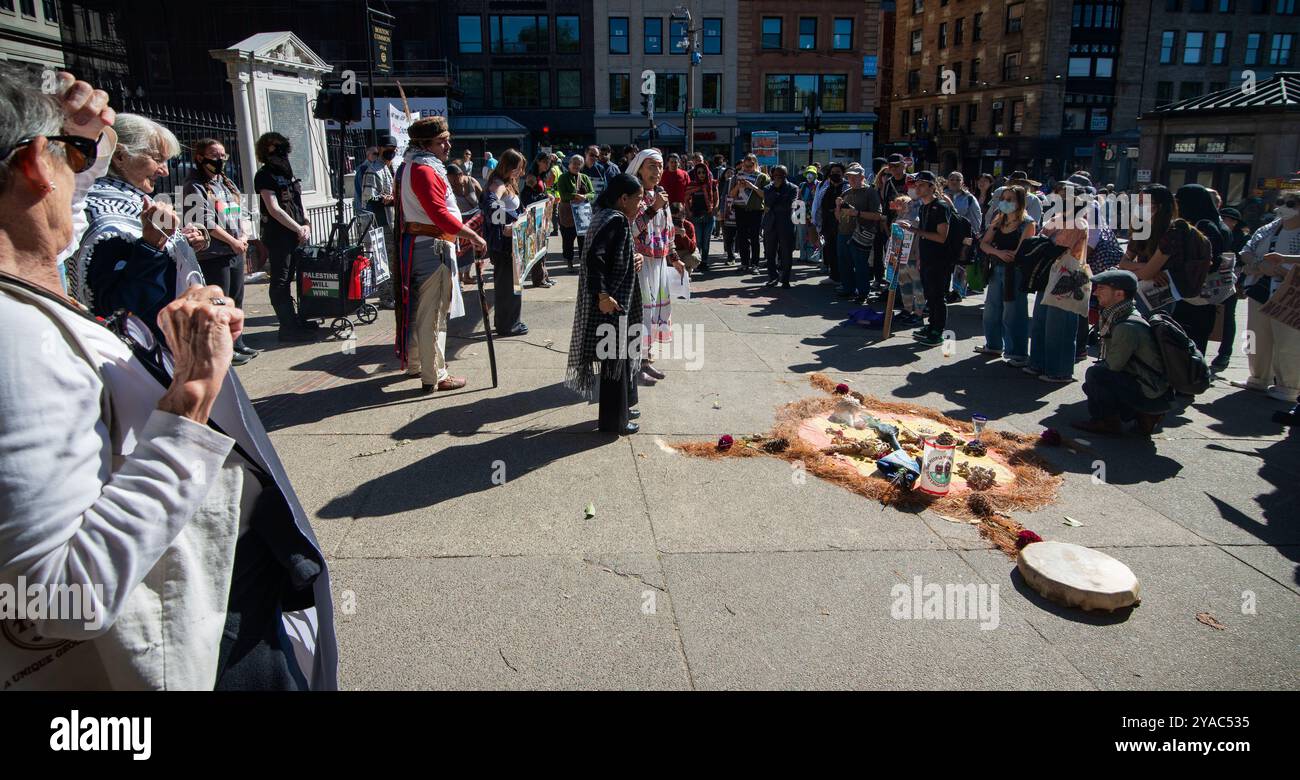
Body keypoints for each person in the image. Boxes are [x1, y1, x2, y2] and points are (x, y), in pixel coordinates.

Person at [0, 67, 337, 690]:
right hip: (187, 642)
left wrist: (82, 136)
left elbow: (78, 208)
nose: (81, 180)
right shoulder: (14, 342)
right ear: (32, 166)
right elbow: (51, 600)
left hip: (216, 605)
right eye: (70, 160)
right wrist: (191, 393)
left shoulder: (26, 284)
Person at [70, 113, 208, 335]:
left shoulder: (133, 201)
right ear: (120, 156)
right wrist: (153, 246)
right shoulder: (103, 215)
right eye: (157, 159)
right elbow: (118, 309)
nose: (165, 171)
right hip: (142, 345)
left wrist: (181, 240)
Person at [393, 115, 487, 392]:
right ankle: (435, 374)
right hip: (432, 246)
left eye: (447, 140)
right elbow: (440, 215)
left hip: (422, 244)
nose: (448, 146)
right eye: (441, 142)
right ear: (425, 144)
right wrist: (473, 235)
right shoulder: (423, 170)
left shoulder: (412, 166)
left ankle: (417, 364)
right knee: (433, 314)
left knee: (419, 311)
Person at [564, 173, 645, 435]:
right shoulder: (616, 220)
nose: (641, 204)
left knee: (618, 359)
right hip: (612, 302)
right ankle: (614, 423)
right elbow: (595, 258)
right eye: (638, 199)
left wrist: (634, 258)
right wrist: (603, 296)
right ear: (623, 199)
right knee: (614, 362)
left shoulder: (606, 215)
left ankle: (620, 414)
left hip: (614, 298)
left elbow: (613, 255)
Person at [183, 138, 258, 365]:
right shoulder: (194, 185)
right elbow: (203, 221)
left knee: (235, 300)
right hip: (215, 255)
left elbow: (240, 213)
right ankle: (222, 349)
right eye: (214, 155)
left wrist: (242, 237)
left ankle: (237, 342)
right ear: (200, 158)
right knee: (220, 303)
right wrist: (232, 242)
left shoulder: (226, 183)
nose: (220, 160)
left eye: (222, 155)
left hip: (235, 251)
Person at [1073, 270, 1174, 435]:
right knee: (1093, 383)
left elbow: (1113, 366)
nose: (1096, 292)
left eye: (1102, 288)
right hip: (1149, 386)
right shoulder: (1121, 314)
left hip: (1151, 391)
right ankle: (1140, 415)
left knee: (1096, 375)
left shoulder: (1126, 326)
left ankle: (1110, 422)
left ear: (1119, 294)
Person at [1118, 184, 1216, 352]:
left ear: (1159, 206)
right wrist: (1148, 268)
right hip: (1141, 290)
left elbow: (1143, 272)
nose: (1139, 207)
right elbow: (1123, 263)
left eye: (1144, 203)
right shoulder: (1142, 228)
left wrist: (1145, 270)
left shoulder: (1173, 232)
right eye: (1138, 202)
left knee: (1152, 341)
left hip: (1162, 296)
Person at [1231, 190, 1300, 401]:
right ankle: (1259, 377)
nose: (1283, 207)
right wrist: (1259, 264)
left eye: (1291, 204)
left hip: (1290, 295)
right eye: (1281, 202)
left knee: (1287, 340)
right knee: (1255, 336)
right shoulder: (1269, 228)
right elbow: (1246, 250)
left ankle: (1288, 386)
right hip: (1259, 289)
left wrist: (1280, 270)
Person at [627, 149, 686, 385]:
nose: (657, 171)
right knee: (643, 312)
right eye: (651, 166)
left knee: (657, 313)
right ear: (640, 168)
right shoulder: (633, 195)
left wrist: (675, 258)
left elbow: (667, 231)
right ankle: (635, 364)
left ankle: (646, 359)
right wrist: (653, 208)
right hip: (641, 262)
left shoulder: (661, 195)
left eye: (660, 166)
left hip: (660, 262)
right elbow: (630, 229)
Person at [251, 131, 316, 341]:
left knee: (295, 277)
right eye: (274, 148)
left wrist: (305, 224)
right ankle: (287, 327)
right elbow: (273, 208)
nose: (279, 153)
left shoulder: (288, 174)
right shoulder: (264, 175)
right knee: (281, 280)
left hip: (296, 234)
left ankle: (297, 319)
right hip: (279, 236)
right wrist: (297, 228)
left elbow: (298, 203)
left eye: (281, 148)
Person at [1027, 189, 1091, 383]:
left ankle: (1059, 371)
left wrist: (1045, 240)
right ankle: (1038, 363)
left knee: (1060, 326)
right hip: (1048, 273)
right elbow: (1043, 238)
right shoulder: (1057, 219)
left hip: (1066, 276)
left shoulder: (1078, 223)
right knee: (1041, 322)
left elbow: (1057, 245)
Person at [976, 184, 1037, 365]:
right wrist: (998, 253)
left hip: (1015, 273)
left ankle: (1017, 353)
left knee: (1013, 313)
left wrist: (1000, 253)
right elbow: (984, 243)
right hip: (996, 269)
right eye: (1003, 199)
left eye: (1009, 199)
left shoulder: (1027, 224)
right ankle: (993, 345)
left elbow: (1018, 253)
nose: (1004, 202)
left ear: (1020, 202)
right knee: (991, 310)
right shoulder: (998, 220)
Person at [1170, 183, 1230, 354]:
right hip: (1198, 294)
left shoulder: (1205, 226)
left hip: (1196, 293)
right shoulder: (1216, 223)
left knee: (1192, 341)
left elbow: (1210, 261)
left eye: (1180, 201)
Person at [900, 171, 955, 346]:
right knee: (929, 295)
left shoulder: (941, 206)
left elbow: (941, 237)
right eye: (916, 185)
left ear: (932, 187)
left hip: (940, 259)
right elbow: (924, 236)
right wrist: (919, 257)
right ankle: (931, 325)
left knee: (938, 296)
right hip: (926, 258)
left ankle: (938, 331)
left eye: (922, 185)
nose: (917, 188)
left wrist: (914, 230)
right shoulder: (923, 207)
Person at [482, 149, 529, 338]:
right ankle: (506, 325)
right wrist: (506, 225)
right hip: (504, 246)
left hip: (512, 243)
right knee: (507, 286)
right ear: (509, 166)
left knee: (513, 285)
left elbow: (509, 207)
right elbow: (491, 206)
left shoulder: (507, 182)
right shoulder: (498, 184)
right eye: (519, 168)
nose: (521, 172)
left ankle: (511, 322)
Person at [835, 162, 884, 301]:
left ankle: (863, 292)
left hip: (861, 233)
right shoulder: (846, 192)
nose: (851, 179)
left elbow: (878, 216)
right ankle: (848, 288)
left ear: (862, 177)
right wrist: (838, 207)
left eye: (855, 176)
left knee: (860, 264)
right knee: (844, 263)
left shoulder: (870, 192)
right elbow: (838, 217)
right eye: (849, 176)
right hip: (844, 232)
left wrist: (857, 213)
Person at [1212, 206, 1252, 370]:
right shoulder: (1217, 232)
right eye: (1223, 218)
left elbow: (1244, 261)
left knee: (1228, 316)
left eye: (1229, 219)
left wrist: (1239, 281)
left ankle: (1225, 353)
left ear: (1235, 222)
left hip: (1232, 282)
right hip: (1213, 281)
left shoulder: (1243, 239)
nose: (1225, 221)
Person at [362, 134, 399, 309]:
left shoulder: (393, 168)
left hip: (395, 222)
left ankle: (394, 294)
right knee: (384, 262)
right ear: (380, 149)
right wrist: (384, 199)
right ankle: (386, 297)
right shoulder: (373, 170)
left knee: (394, 262)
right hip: (381, 223)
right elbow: (368, 198)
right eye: (387, 148)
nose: (391, 152)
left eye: (393, 149)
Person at [946, 171, 984, 298]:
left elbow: (976, 217)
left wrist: (974, 234)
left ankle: (958, 292)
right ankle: (945, 290)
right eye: (952, 179)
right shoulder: (942, 195)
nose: (954, 182)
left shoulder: (969, 198)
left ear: (962, 182)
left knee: (961, 264)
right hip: (945, 235)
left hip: (964, 235)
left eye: (958, 179)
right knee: (946, 264)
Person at [761, 165, 800, 289]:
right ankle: (773, 277)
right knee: (770, 253)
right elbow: (767, 203)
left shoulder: (793, 188)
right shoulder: (767, 188)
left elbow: (789, 205)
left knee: (786, 253)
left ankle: (785, 279)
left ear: (785, 175)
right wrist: (777, 193)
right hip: (770, 225)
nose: (777, 177)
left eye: (781, 175)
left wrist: (775, 201)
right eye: (775, 175)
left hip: (786, 225)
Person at [446, 162, 483, 287]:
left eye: (455, 180)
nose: (454, 183)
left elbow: (483, 197)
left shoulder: (472, 181)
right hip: (459, 223)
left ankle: (467, 275)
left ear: (461, 174)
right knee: (460, 249)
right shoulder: (448, 186)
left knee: (472, 248)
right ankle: (459, 277)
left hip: (475, 221)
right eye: (451, 181)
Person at [730, 153, 769, 273]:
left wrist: (752, 187)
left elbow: (766, 195)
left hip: (756, 210)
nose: (747, 168)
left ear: (755, 164)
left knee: (754, 238)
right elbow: (731, 194)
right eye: (745, 166)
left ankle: (755, 264)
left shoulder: (762, 177)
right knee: (742, 237)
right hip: (740, 209)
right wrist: (738, 186)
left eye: (750, 166)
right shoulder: (738, 176)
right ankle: (744, 263)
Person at [557, 154, 595, 273]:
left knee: (583, 240)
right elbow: (563, 195)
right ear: (569, 164)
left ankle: (583, 263)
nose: (576, 166)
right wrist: (576, 196)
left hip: (582, 214)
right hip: (567, 214)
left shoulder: (584, 177)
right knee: (568, 239)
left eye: (579, 164)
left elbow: (592, 193)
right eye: (574, 163)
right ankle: (569, 262)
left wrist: (585, 196)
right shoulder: (563, 177)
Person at [684, 162, 717, 271]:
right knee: (698, 241)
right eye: (699, 173)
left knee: (706, 241)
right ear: (696, 174)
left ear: (707, 173)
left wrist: (714, 209)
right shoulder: (692, 185)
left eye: (703, 172)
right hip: (696, 217)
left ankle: (704, 262)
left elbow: (716, 199)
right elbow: (686, 199)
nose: (701, 174)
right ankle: (697, 262)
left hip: (709, 217)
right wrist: (689, 212)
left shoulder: (712, 184)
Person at [797, 165, 822, 262]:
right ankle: (803, 256)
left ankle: (813, 257)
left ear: (816, 175)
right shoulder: (802, 185)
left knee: (814, 236)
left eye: (812, 173)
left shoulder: (819, 185)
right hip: (802, 213)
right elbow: (798, 198)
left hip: (814, 214)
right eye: (808, 173)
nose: (809, 175)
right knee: (802, 236)